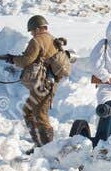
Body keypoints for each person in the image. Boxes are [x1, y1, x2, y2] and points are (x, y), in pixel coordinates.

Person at [6, 15, 69, 147]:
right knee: (28, 111)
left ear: (38, 28)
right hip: (49, 84)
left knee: (40, 116)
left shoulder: (37, 41)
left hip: (42, 84)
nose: (32, 33)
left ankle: (48, 148)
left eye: (32, 31)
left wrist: (13, 59)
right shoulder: (53, 40)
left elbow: (26, 61)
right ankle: (39, 143)